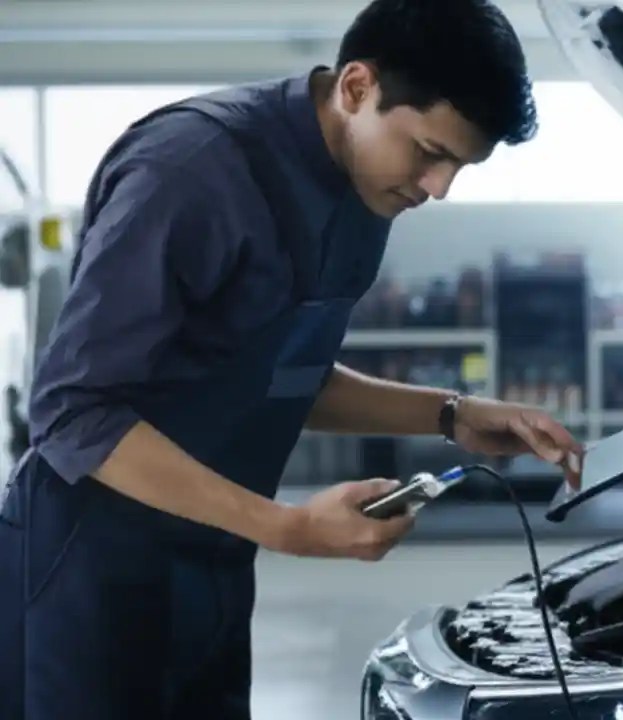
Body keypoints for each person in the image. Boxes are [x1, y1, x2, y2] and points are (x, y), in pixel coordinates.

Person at [0, 1, 582, 718]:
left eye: (460, 166)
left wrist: (451, 414)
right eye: (430, 152)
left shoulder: (367, 193)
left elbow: (280, 372)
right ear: (358, 87)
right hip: (88, 567)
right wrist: (286, 526)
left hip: (214, 560)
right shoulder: (189, 171)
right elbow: (73, 410)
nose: (439, 188)